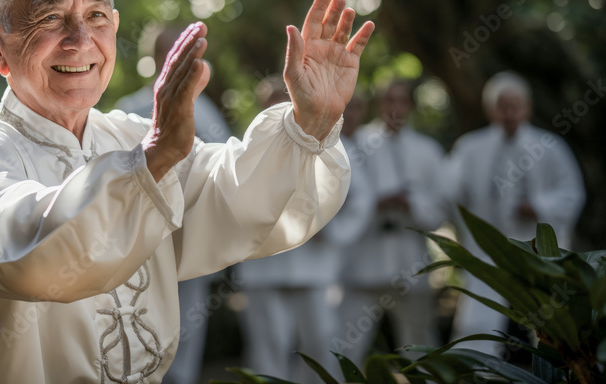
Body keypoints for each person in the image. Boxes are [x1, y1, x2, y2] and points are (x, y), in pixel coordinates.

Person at [0, 0, 374, 383]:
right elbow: (30, 255)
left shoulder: (131, 136)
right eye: (50, 17)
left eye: (96, 16)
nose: (80, 40)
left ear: (114, 27)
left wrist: (308, 123)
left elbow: (233, 196)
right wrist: (153, 159)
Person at [115, 26, 233, 384]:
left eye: (180, 53)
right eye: (166, 52)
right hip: (138, 247)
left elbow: (225, 172)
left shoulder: (207, 111)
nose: (173, 60)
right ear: (151, 59)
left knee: (185, 337)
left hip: (187, 240)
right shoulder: (127, 110)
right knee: (135, 336)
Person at [236, 80, 374, 382]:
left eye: (281, 101)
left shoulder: (330, 139)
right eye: (269, 102)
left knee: (321, 344)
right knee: (267, 349)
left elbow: (361, 198)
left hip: (314, 266)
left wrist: (332, 230)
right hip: (263, 268)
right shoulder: (246, 145)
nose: (276, 107)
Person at [446, 72, 585, 355]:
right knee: (477, 323)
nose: (509, 112)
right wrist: (466, 234)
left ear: (527, 107)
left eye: (515, 105)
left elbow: (572, 193)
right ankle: (477, 373)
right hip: (491, 249)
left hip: (540, 252)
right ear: (490, 109)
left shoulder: (550, 147)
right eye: (502, 105)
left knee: (550, 324)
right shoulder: (470, 148)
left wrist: (539, 207)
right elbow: (448, 193)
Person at [338, 80, 446, 363]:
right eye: (389, 101)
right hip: (363, 259)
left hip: (409, 259)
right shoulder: (356, 143)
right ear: (379, 105)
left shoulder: (428, 150)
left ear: (410, 106)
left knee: (419, 344)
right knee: (344, 344)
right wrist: (376, 203)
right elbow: (339, 197)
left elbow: (441, 205)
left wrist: (412, 203)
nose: (395, 108)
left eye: (401, 101)